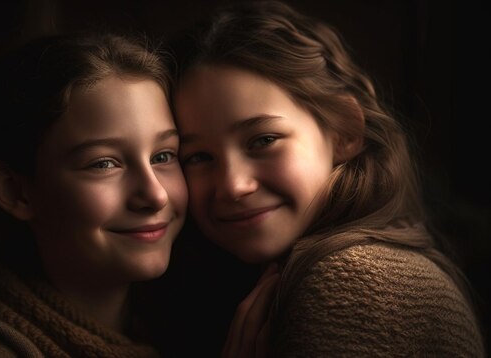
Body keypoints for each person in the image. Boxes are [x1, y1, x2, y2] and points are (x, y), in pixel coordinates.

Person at [170, 1, 486, 357]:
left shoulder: (355, 282)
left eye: (263, 140)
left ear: (344, 131)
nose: (233, 185)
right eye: (197, 157)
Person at [0, 32, 187, 357]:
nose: (156, 195)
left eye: (163, 156)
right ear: (17, 192)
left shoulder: (192, 320)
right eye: (104, 163)